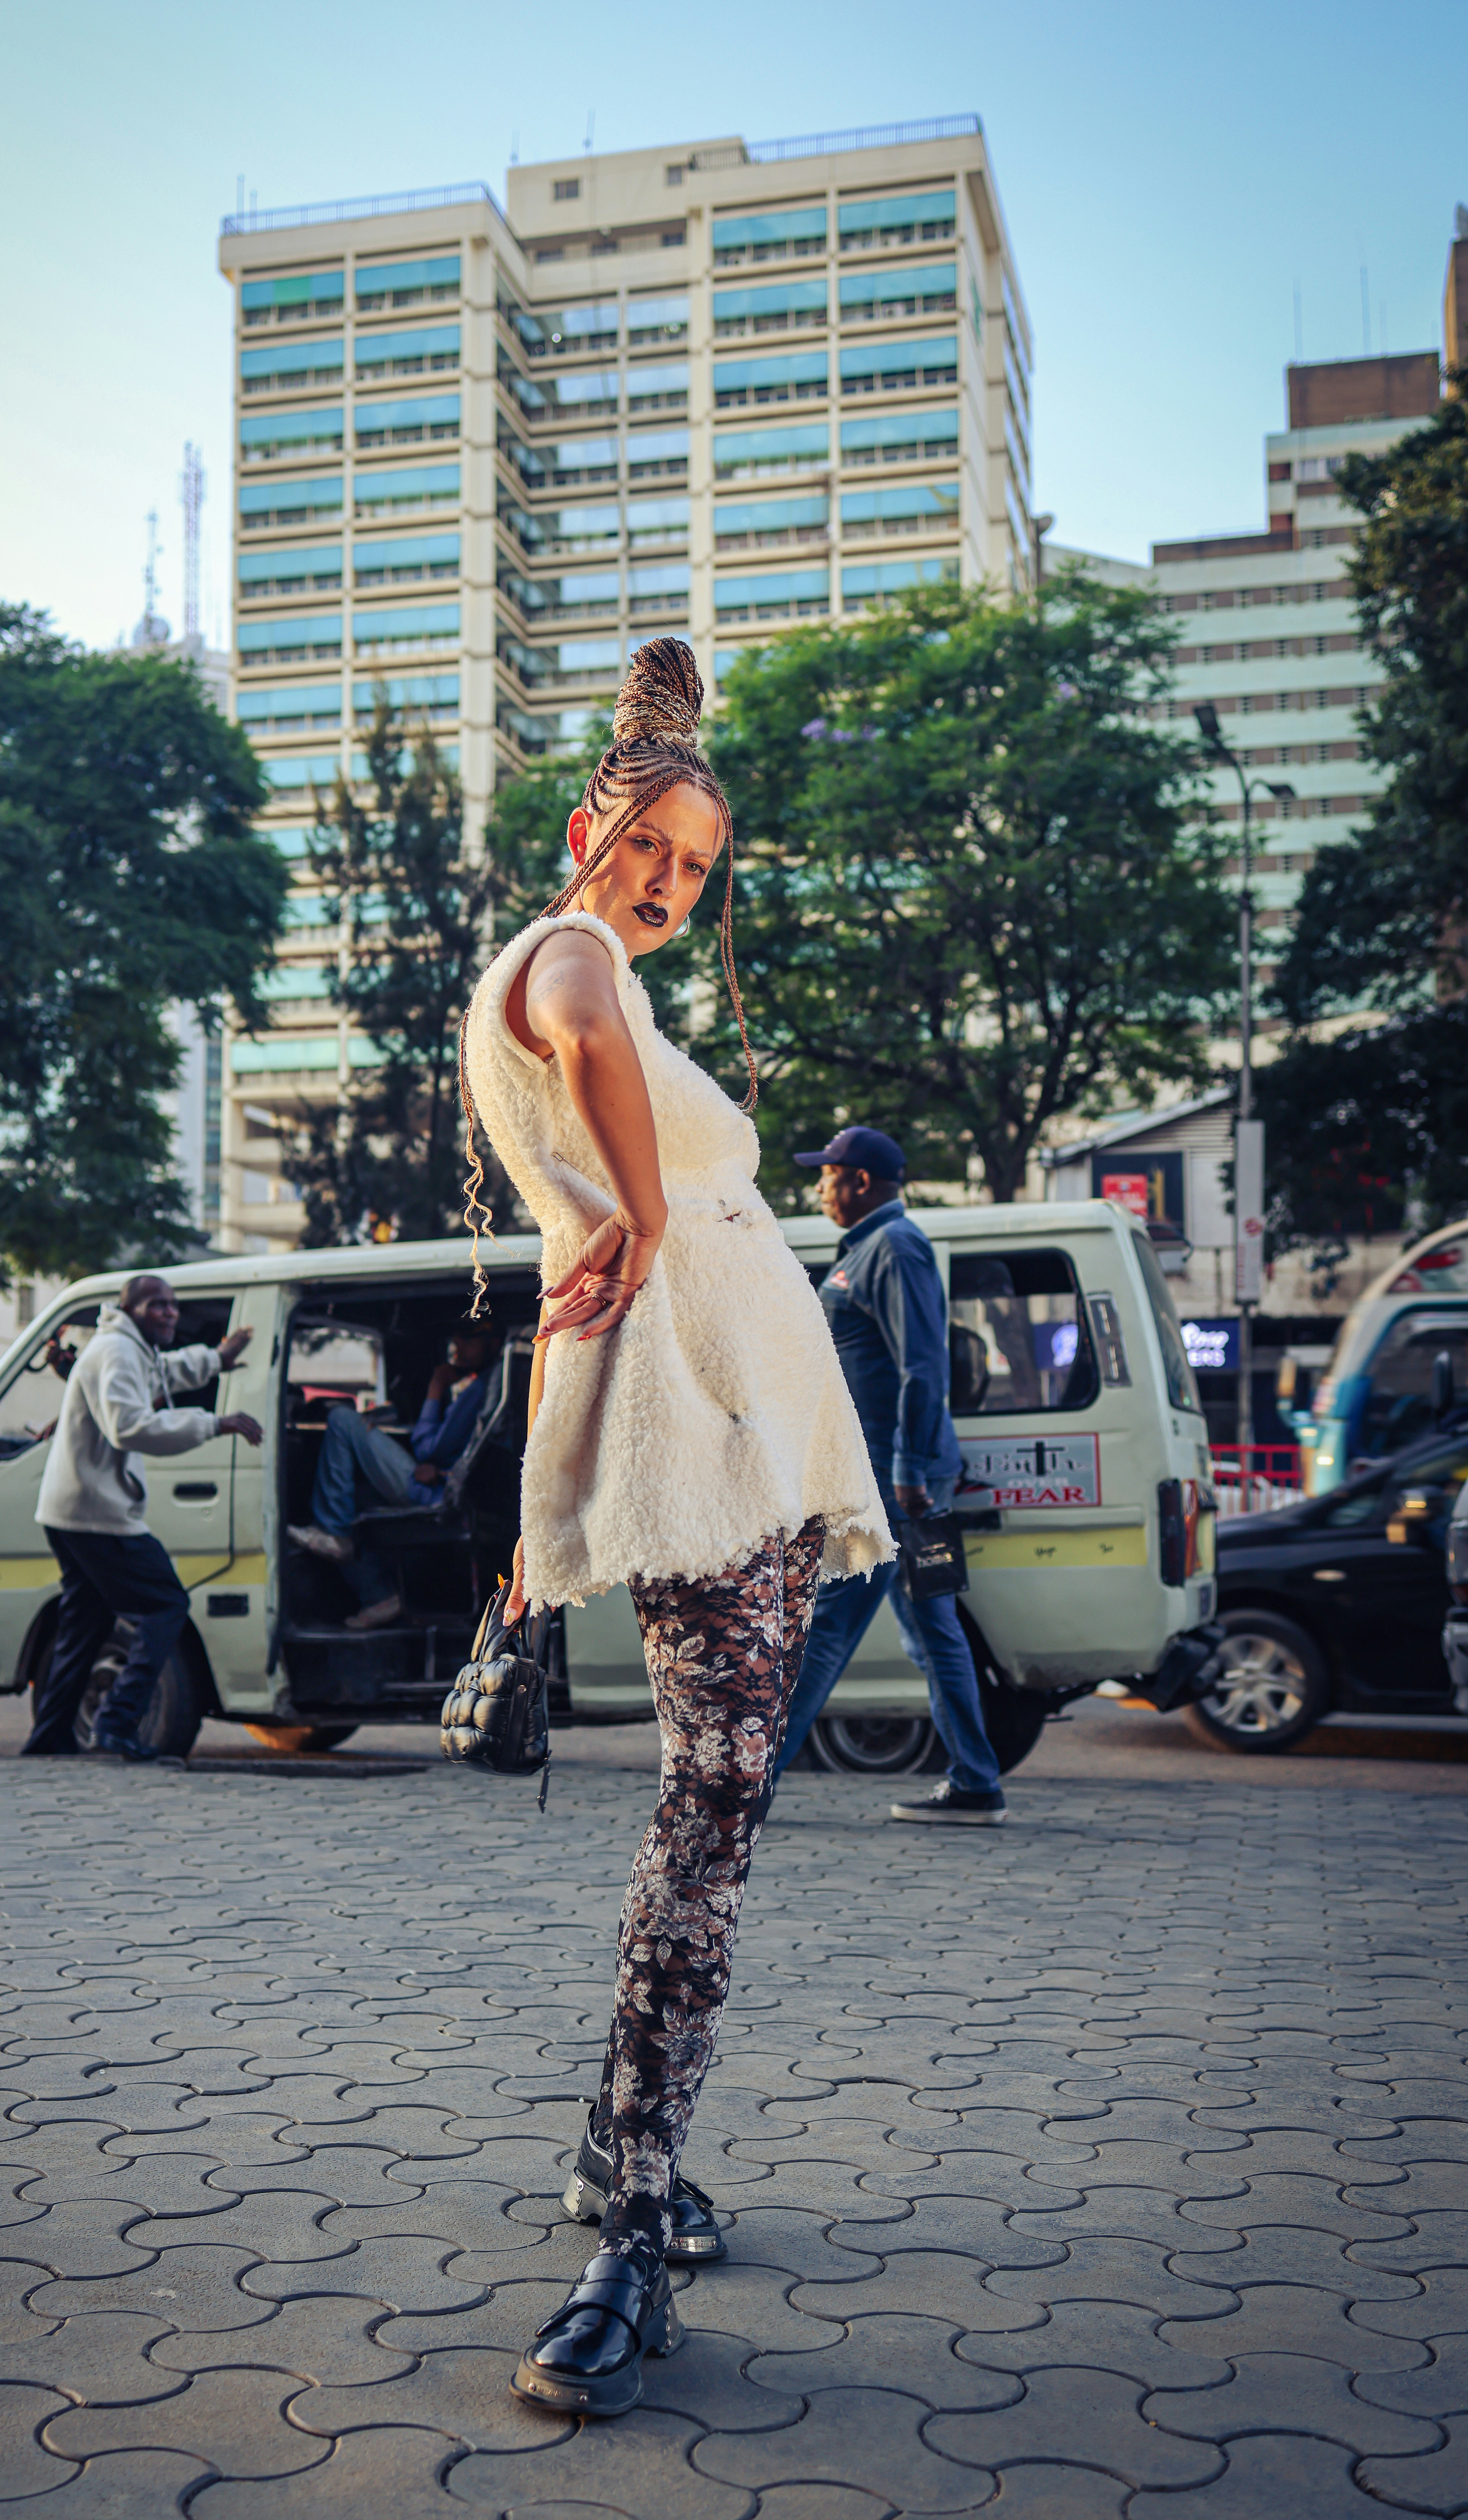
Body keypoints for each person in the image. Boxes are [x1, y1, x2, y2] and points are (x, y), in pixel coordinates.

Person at [459, 637, 889, 2419]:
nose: (664, 883)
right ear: (590, 826)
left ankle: (618, 2155)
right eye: (649, 847)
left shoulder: (630, 990)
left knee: (724, 1794)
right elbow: (573, 1033)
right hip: (695, 1425)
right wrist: (639, 1214)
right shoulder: (563, 955)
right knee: (710, 1803)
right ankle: (624, 2213)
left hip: (749, 1421)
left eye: (697, 868)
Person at [772, 1126, 1008, 1825]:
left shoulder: (895, 1248)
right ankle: (975, 1781)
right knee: (932, 1632)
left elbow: (921, 1366)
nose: (819, 1186)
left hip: (888, 1483)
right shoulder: (867, 1250)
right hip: (885, 1478)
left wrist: (907, 1468)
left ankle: (750, 1784)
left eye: (828, 1174)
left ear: (862, 1182)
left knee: (829, 1627)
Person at [26, 1275, 261, 1761]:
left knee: (84, 1622)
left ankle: (50, 1736)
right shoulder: (116, 1351)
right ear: (130, 1309)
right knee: (167, 1605)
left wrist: (216, 1359)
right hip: (96, 1516)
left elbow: (165, 1373)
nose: (170, 1313)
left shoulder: (129, 1348)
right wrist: (215, 1423)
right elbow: (130, 1426)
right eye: (158, 1306)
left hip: (73, 1512)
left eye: (173, 1305)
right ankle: (116, 1722)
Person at [287, 1322, 505, 1628]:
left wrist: (436, 1387)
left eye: (469, 1338)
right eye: (457, 1336)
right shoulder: (487, 1384)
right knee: (355, 1498)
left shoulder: (479, 1390)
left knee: (341, 1419)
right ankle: (379, 1594)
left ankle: (332, 1531)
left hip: (435, 1491)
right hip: (445, 1483)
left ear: (493, 1344)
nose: (458, 1343)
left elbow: (426, 1447)